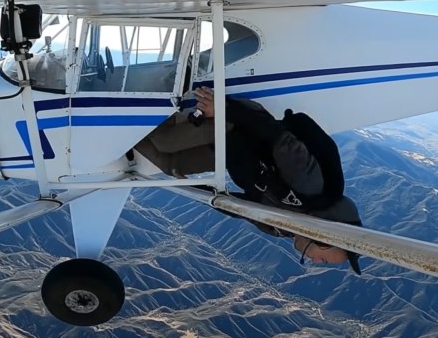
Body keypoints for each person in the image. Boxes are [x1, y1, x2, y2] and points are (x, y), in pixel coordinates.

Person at [135, 86, 363, 274]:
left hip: (233, 152)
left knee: (172, 165)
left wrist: (190, 186)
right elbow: (276, 137)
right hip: (242, 126)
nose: (316, 261)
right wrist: (224, 110)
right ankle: (133, 110)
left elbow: (238, 208)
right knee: (165, 141)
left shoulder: (280, 227)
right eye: (323, 259)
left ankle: (123, 142)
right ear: (323, 240)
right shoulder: (311, 189)